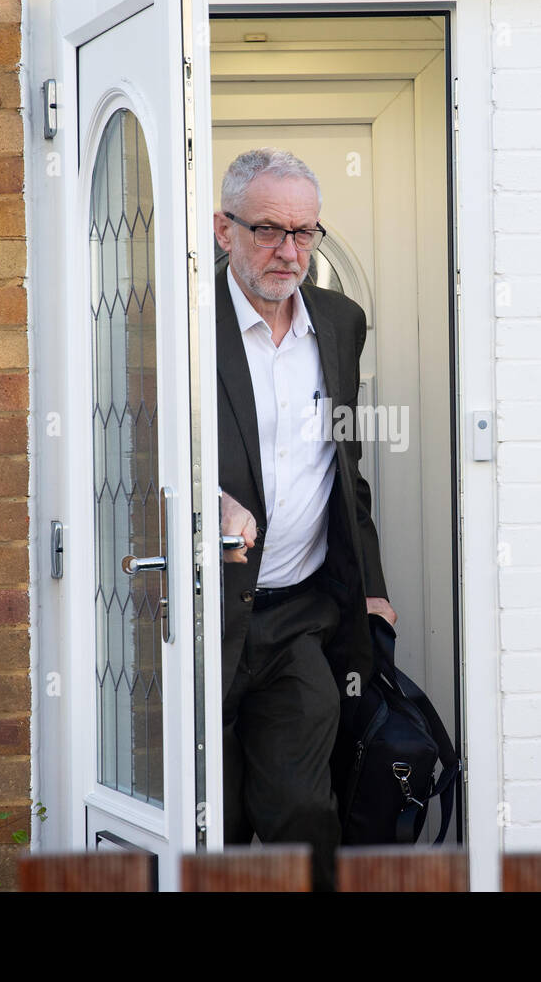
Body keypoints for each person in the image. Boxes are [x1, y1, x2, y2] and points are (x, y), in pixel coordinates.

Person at [214, 147, 396, 892]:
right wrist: (204, 503)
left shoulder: (339, 324)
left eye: (305, 232)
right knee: (206, 815)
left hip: (297, 616)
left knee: (301, 808)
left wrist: (372, 587)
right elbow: (131, 459)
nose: (289, 252)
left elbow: (345, 471)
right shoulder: (178, 324)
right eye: (268, 230)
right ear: (225, 230)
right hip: (198, 618)